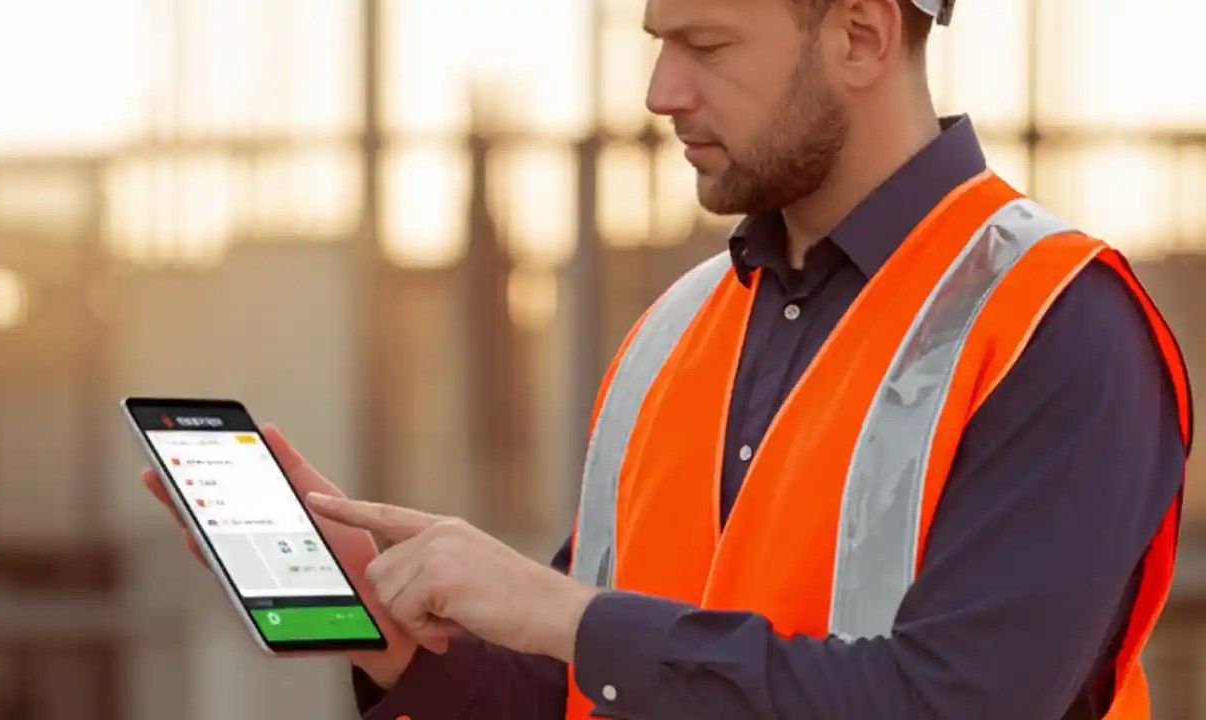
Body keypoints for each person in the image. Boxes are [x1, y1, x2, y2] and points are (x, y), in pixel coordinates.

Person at [144, 0, 1193, 717]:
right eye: (656, 38)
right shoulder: (673, 332)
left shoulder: (1057, 324)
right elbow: (588, 692)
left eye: (705, 43)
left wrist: (571, 618)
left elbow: (950, 704)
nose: (659, 89)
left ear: (862, 36)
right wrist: (399, 638)